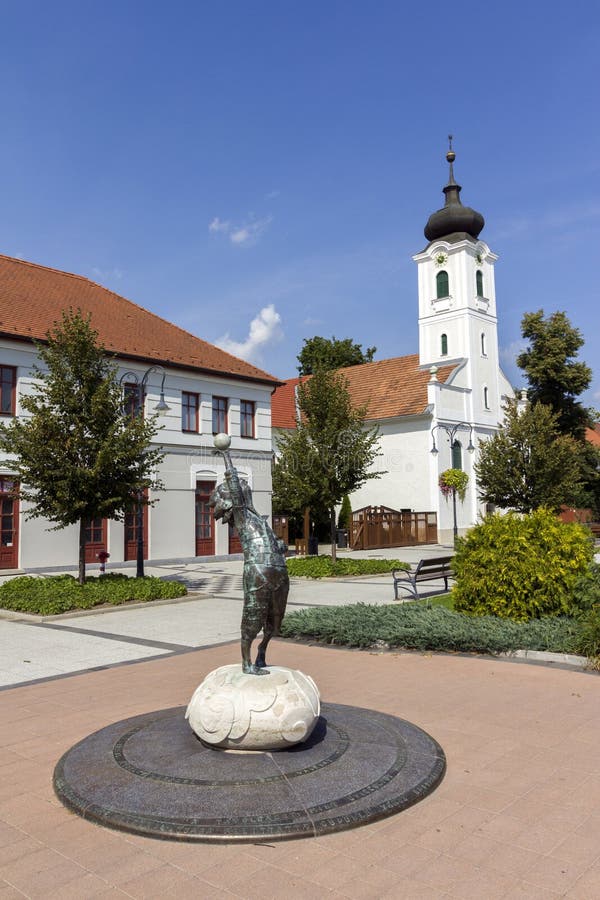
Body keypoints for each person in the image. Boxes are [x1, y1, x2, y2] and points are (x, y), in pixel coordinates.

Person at [209, 448, 289, 675]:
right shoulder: (241, 517)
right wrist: (226, 457)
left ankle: (262, 652)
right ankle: (246, 663)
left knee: (275, 621)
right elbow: (235, 487)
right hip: (258, 571)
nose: (242, 486)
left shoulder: (257, 518)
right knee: (253, 618)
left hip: (278, 571)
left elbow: (274, 543)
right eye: (237, 488)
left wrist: (279, 545)